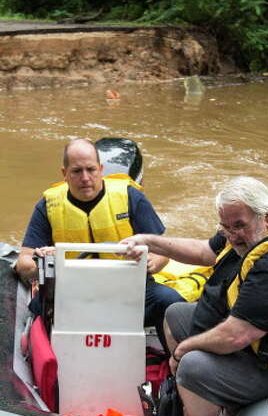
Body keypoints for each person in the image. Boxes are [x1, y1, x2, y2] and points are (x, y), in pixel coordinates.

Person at [121, 176, 268, 416]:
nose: (232, 237)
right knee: (175, 314)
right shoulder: (252, 225)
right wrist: (149, 242)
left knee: (192, 365)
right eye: (226, 228)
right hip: (265, 339)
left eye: (239, 227)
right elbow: (206, 252)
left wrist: (182, 351)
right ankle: (196, 400)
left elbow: (237, 335)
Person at [15, 138, 183, 333]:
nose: (85, 178)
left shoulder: (131, 197)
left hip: (131, 288)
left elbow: (164, 250)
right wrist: (42, 261)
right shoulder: (48, 205)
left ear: (101, 169)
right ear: (65, 174)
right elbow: (24, 262)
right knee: (37, 310)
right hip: (71, 292)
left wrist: (154, 262)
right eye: (77, 171)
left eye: (91, 169)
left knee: (172, 304)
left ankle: (175, 360)